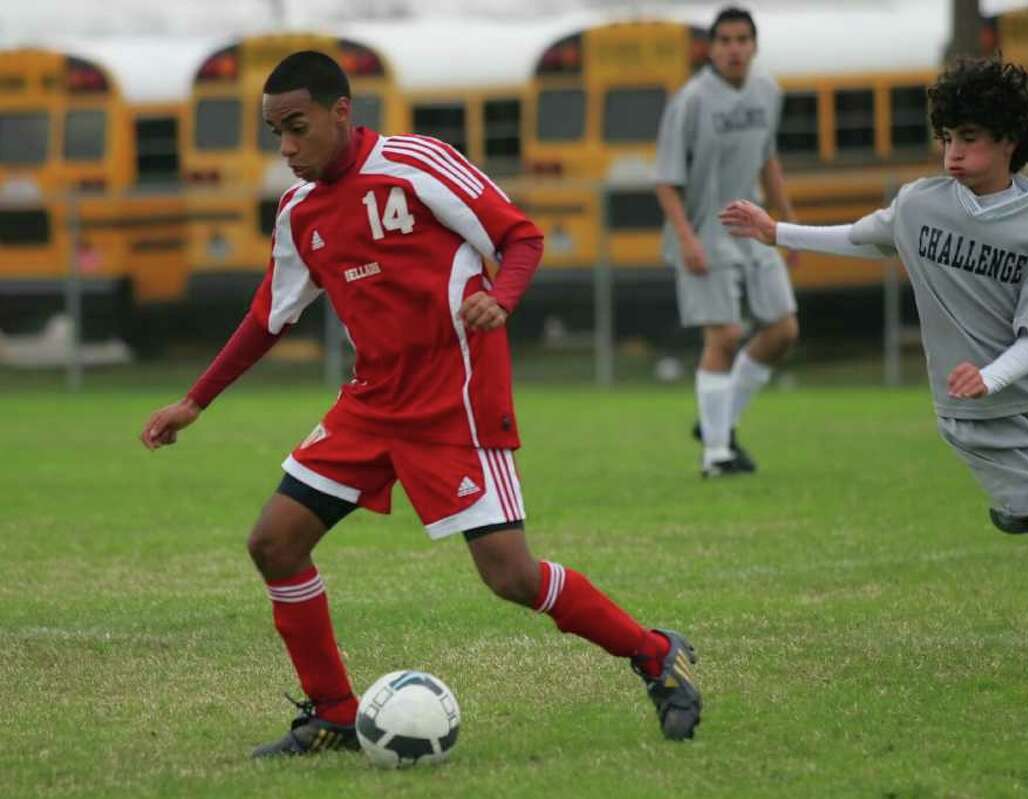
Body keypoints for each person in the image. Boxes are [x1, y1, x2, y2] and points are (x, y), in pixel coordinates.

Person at [139, 50, 700, 756]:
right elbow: (267, 319)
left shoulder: (417, 162)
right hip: (371, 403)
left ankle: (655, 653)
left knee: (511, 575)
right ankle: (335, 713)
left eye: (297, 126)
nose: (285, 147)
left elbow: (519, 235)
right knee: (274, 543)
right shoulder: (299, 211)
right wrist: (195, 401)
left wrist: (501, 298)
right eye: (274, 131)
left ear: (342, 112)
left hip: (454, 402)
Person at [720, 57, 1028, 645]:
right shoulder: (920, 203)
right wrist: (778, 232)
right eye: (947, 138)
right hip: (986, 425)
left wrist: (992, 374)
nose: (952, 153)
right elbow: (862, 237)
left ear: (1009, 140)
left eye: (968, 139)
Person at [654, 6, 799, 478]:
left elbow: (767, 161)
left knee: (783, 331)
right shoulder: (692, 100)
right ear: (711, 49)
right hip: (705, 232)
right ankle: (716, 455)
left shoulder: (768, 91)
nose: (734, 48)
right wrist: (687, 239)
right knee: (726, 335)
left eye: (742, 39)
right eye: (725, 40)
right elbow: (665, 181)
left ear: (754, 45)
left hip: (754, 228)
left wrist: (787, 226)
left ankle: (717, 422)